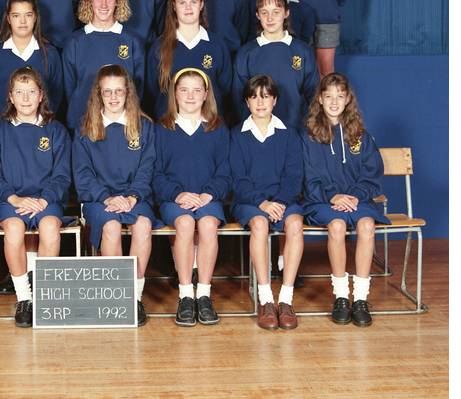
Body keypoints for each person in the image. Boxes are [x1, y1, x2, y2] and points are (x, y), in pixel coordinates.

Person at [0, 67, 71, 327]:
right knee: (13, 228)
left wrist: (44, 200)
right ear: (10, 97)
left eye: (31, 91)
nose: (25, 98)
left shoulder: (55, 130)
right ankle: (24, 298)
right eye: (19, 92)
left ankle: (42, 298)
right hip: (11, 201)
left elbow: (62, 176)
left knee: (49, 228)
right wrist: (14, 199)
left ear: (41, 95)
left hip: (46, 200)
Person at [73, 65, 158, 327]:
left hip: (135, 196)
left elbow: (148, 168)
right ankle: (114, 298)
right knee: (110, 226)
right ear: (98, 94)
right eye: (107, 92)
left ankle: (133, 296)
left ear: (128, 93)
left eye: (119, 91)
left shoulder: (143, 126)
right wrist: (106, 198)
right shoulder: (85, 127)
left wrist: (132, 197)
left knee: (143, 225)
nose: (113, 97)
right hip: (99, 200)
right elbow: (83, 173)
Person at [302, 73, 388, 328]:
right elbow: (308, 176)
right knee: (337, 225)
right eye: (328, 95)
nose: (334, 101)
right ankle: (341, 296)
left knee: (367, 226)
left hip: (356, 199)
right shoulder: (309, 136)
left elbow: (372, 175)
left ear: (348, 99)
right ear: (319, 99)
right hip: (322, 201)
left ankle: (360, 298)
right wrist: (333, 196)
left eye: (340, 95)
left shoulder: (360, 135)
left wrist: (354, 196)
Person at [152, 68, 230, 327]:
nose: (190, 95)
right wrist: (178, 194)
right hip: (174, 201)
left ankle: (204, 295)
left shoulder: (218, 129)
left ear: (206, 95)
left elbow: (226, 173)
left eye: (197, 90)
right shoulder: (162, 129)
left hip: (208, 198)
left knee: (208, 225)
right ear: (174, 93)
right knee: (185, 224)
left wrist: (208, 195)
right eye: (183, 90)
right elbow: (156, 174)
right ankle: (186, 295)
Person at [229, 75, 305, 331]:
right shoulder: (236, 136)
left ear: (275, 99)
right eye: (253, 96)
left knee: (295, 224)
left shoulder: (289, 135)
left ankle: (285, 299)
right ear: (247, 102)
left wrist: (281, 202)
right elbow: (238, 180)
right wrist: (262, 203)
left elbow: (294, 178)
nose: (260, 102)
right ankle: (266, 300)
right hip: (250, 201)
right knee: (260, 225)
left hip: (283, 201)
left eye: (265, 96)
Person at [61, 0, 145, 131]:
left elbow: (137, 87)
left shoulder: (132, 41)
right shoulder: (75, 41)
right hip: (82, 122)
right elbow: (69, 90)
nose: (104, 4)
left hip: (122, 124)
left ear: (118, 2)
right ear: (90, 1)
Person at [232, 0, 319, 131]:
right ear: (257, 15)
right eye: (264, 13)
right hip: (258, 132)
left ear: (286, 13)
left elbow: (313, 94)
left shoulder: (303, 51)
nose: (270, 18)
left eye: (276, 12)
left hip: (297, 130)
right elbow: (239, 99)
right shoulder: (246, 53)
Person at [147, 0, 233, 119]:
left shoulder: (217, 45)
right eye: (182, 3)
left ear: (201, 4)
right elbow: (152, 92)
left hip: (209, 127)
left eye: (193, 2)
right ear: (174, 6)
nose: (188, 7)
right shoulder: (159, 47)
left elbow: (225, 91)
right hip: (170, 128)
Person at [0, 0, 63, 126]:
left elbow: (56, 92)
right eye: (16, 15)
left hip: (39, 127)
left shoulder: (50, 54)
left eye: (28, 15)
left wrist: (42, 119)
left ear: (35, 17)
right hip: (1, 126)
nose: (22, 21)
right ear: (8, 19)